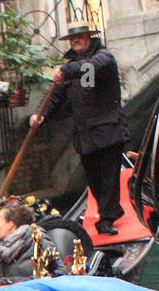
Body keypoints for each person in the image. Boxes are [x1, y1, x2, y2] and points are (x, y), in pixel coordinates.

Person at [30, 24, 131, 237]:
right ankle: (111, 212)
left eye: (79, 37)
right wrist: (40, 115)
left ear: (88, 37)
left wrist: (66, 71)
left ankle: (106, 218)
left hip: (108, 131)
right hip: (85, 136)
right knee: (95, 179)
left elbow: (91, 68)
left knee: (108, 178)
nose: (75, 40)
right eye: (72, 38)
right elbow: (55, 97)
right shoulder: (71, 68)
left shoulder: (104, 58)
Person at [0, 201, 55, 275]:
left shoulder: (37, 240)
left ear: (10, 225)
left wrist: (10, 281)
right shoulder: (1, 250)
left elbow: (57, 272)